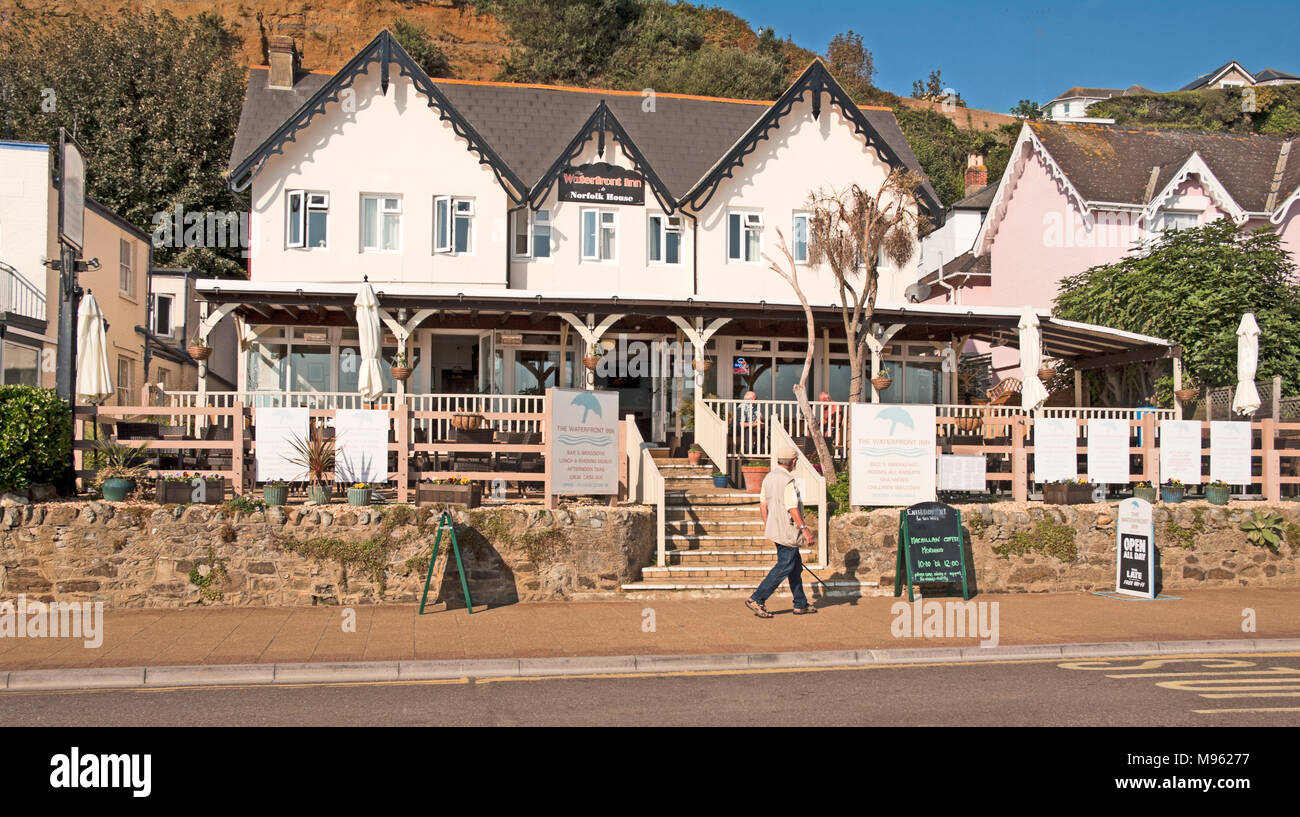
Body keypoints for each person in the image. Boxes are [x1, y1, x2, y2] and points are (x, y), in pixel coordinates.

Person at [746, 445, 817, 618]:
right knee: (785, 565)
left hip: (775, 528)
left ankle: (800, 603)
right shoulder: (788, 481)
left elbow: (763, 504)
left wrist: (768, 523)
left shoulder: (769, 477)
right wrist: (805, 530)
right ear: (793, 462)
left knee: (794, 567)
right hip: (788, 531)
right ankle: (758, 598)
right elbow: (792, 508)